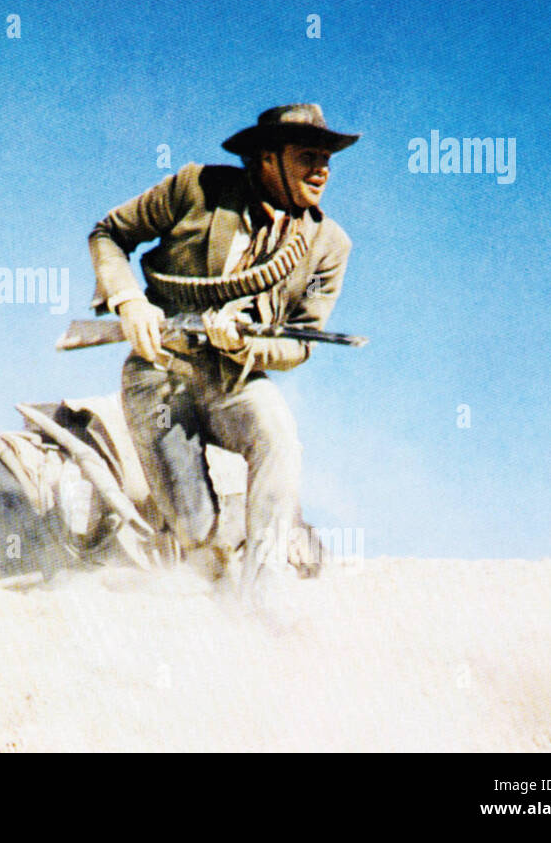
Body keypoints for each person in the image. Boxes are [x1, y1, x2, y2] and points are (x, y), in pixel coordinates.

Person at [88, 104, 358, 603]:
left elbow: (301, 340)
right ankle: (202, 547)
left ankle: (267, 586)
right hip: (161, 374)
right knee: (196, 531)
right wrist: (130, 302)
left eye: (327, 159)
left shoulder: (327, 244)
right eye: (307, 157)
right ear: (265, 158)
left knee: (278, 433)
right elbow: (109, 234)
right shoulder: (196, 188)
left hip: (236, 379)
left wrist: (246, 342)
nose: (321, 170)